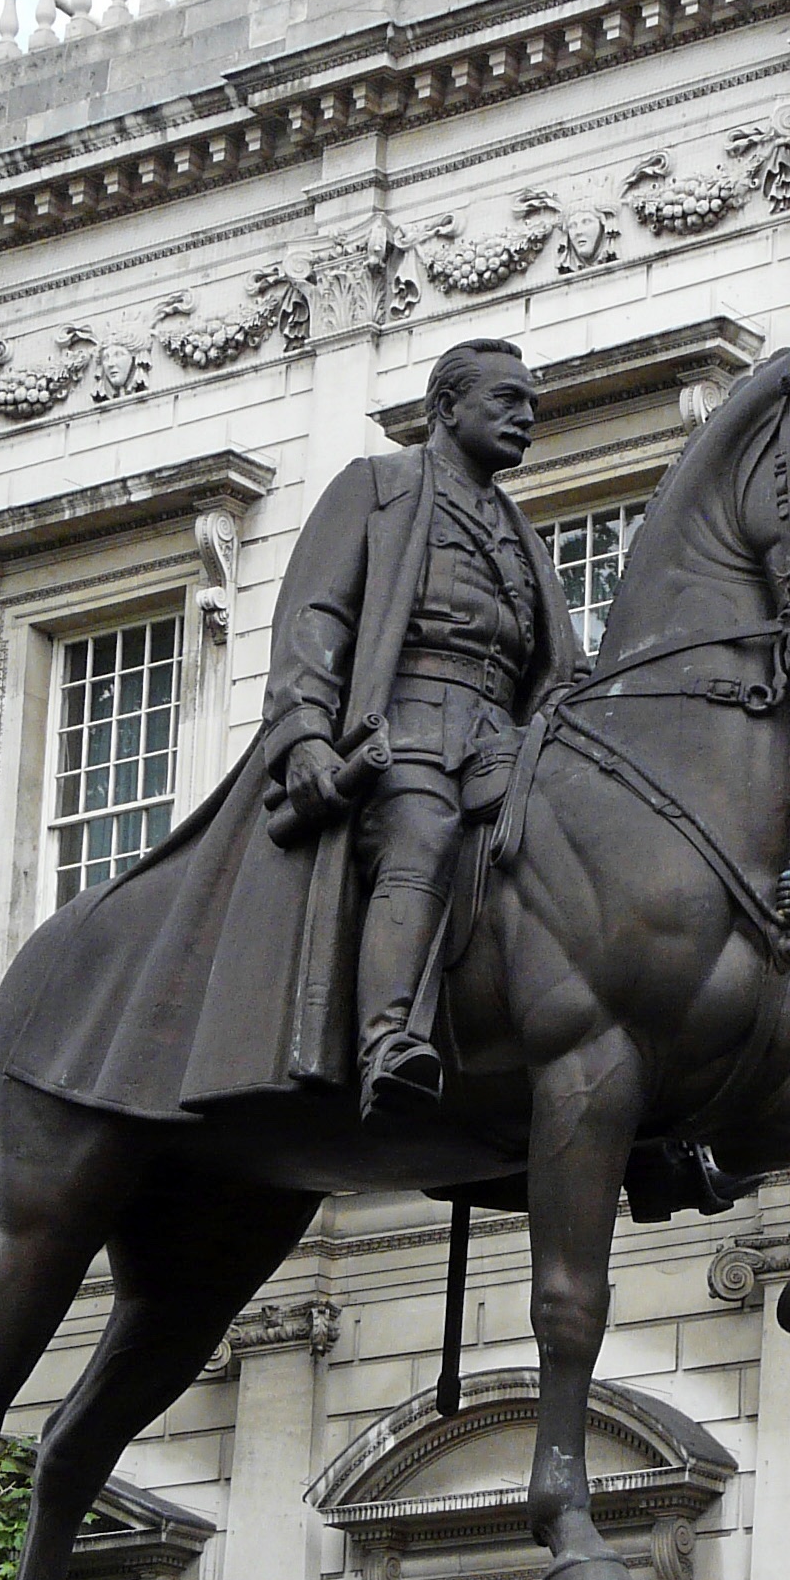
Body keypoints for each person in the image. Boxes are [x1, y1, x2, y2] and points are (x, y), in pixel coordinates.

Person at [261, 338, 588, 1117]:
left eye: (532, 405)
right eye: (506, 401)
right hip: (405, 728)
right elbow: (316, 613)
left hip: (504, 739)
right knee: (422, 830)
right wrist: (303, 732)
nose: (526, 417)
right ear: (446, 406)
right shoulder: (378, 486)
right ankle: (387, 1042)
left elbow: (556, 663)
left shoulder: (519, 531)